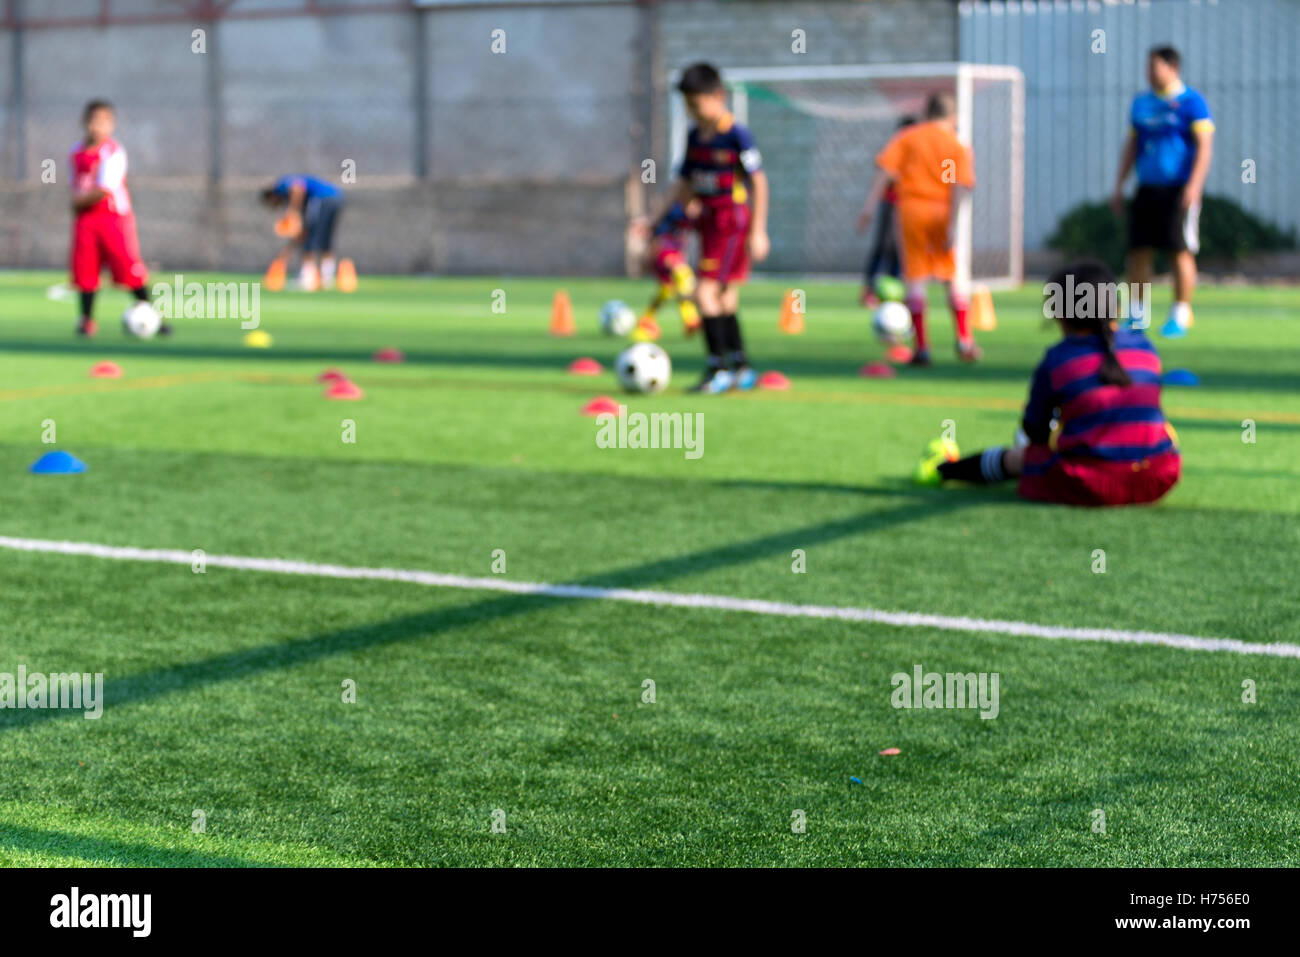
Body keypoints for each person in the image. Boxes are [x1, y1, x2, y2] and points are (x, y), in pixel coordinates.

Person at [914, 260, 1180, 507]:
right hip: (1158, 476)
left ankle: (943, 469)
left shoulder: (1058, 359)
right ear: (1116, 308)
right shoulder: (1146, 347)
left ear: (1060, 316)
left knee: (1022, 458)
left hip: (1091, 483)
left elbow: (1035, 432)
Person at [647, 62, 770, 393]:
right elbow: (683, 183)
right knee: (726, 296)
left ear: (718, 96)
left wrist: (759, 231)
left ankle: (718, 368)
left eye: (697, 104)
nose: (693, 112)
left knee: (704, 292)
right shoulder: (694, 137)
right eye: (688, 105)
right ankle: (741, 366)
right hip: (709, 224)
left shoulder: (736, 134)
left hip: (732, 222)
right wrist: (655, 219)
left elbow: (758, 182)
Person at [860, 93, 978, 365]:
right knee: (951, 276)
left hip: (912, 210)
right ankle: (964, 340)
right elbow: (958, 185)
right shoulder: (955, 145)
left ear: (926, 113)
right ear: (953, 117)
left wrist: (868, 207)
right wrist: (952, 225)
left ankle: (922, 347)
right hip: (941, 211)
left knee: (916, 276)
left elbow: (885, 172)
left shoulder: (907, 137)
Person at [1110, 45, 1214, 338]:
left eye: (1154, 66)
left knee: (1178, 250)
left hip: (1179, 189)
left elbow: (1204, 148)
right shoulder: (1141, 104)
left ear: (1172, 68)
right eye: (1148, 67)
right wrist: (1119, 185)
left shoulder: (1192, 102)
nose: (1149, 73)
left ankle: (1181, 314)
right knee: (1137, 252)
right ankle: (1137, 315)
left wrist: (1194, 185)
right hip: (1147, 188)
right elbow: (1132, 146)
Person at [68, 100, 165, 337]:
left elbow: (104, 188)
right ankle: (86, 321)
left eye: (103, 122)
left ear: (111, 125)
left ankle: (153, 317)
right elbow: (74, 184)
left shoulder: (113, 152)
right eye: (93, 121)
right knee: (85, 269)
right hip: (85, 220)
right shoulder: (75, 152)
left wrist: (77, 202)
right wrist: (75, 201)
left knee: (127, 266)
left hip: (113, 218)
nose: (96, 127)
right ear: (84, 122)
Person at [856, 114, 917, 308]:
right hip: (892, 204)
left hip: (910, 206)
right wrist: (869, 208)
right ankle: (870, 290)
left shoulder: (917, 150)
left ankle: (896, 291)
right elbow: (883, 170)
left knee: (903, 250)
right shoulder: (895, 147)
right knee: (884, 246)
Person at [260, 174, 351, 291]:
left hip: (323, 199)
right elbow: (303, 232)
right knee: (324, 238)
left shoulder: (281, 187)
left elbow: (298, 188)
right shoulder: (305, 202)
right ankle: (326, 278)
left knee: (312, 239)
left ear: (272, 197)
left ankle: (308, 278)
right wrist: (284, 255)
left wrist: (293, 213)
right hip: (338, 198)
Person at [638, 200, 701, 336]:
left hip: (674, 253)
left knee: (667, 290)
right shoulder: (675, 210)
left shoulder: (689, 216)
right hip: (664, 252)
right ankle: (691, 319)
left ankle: (646, 320)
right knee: (683, 275)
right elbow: (656, 229)